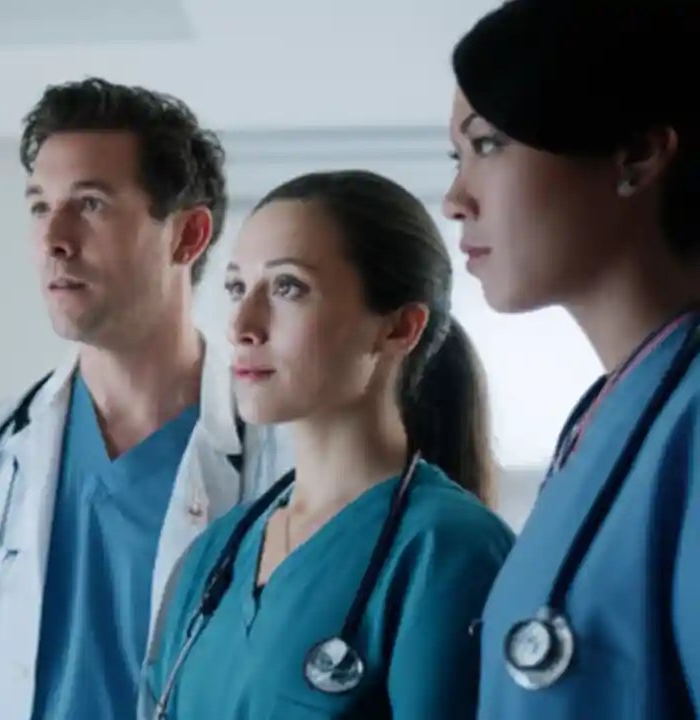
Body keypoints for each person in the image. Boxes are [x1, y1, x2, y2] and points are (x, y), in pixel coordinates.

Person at [0, 77, 283, 720]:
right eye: (39, 207)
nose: (53, 238)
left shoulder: (281, 457)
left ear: (188, 236)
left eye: (90, 204)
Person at [143, 170, 516, 719]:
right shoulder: (214, 555)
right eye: (237, 289)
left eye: (288, 287)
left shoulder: (448, 551)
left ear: (399, 328)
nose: (242, 325)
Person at [443, 0, 700, 717]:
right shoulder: (605, 419)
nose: (456, 199)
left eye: (488, 145)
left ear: (636, 155)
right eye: (458, 158)